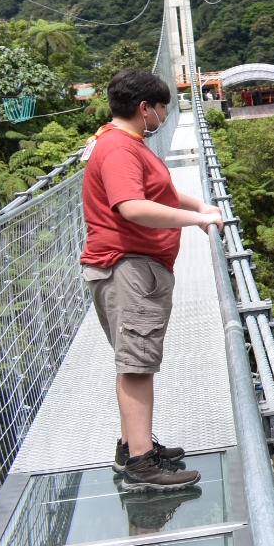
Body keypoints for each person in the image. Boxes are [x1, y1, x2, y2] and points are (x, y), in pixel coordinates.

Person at [81, 67, 223, 491]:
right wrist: (196, 219)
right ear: (145, 109)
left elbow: (156, 191)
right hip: (129, 266)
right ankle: (141, 463)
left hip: (133, 265)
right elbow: (133, 206)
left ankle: (133, 444)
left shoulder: (119, 142)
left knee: (134, 360)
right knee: (138, 365)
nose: (163, 115)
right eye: (162, 108)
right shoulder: (120, 149)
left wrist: (198, 203)